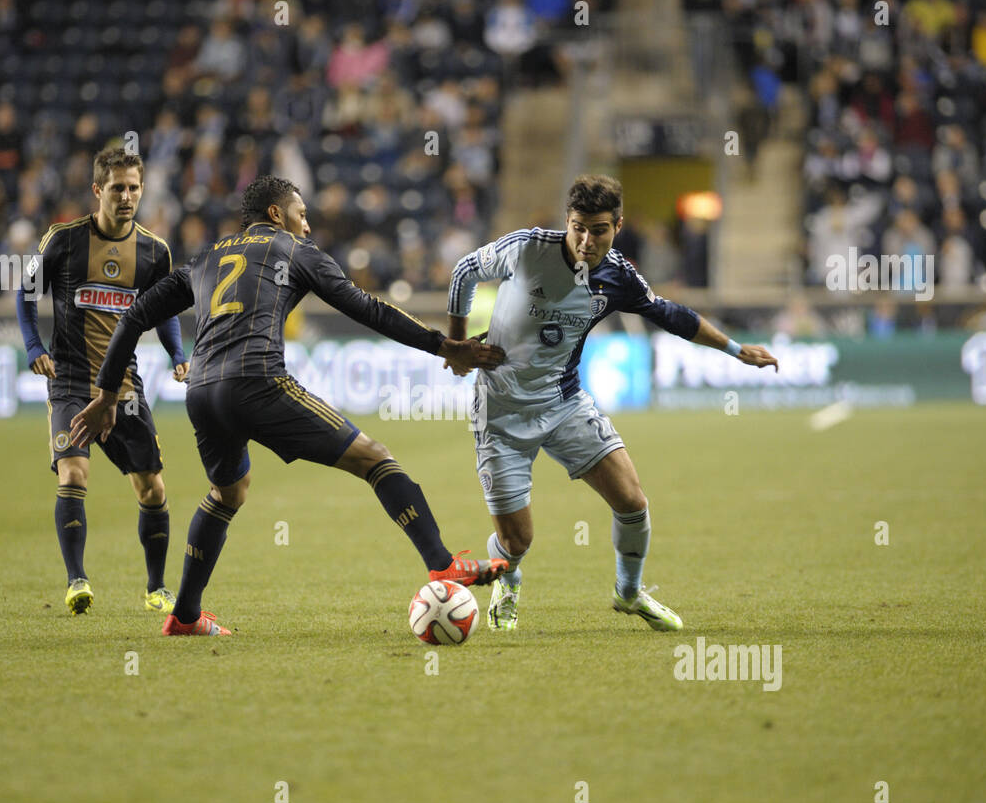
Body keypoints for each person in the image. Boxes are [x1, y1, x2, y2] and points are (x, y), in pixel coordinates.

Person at [70, 175, 508, 636]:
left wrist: (105, 394)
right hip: (258, 380)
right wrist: (445, 346)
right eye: (302, 214)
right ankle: (441, 565)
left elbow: (135, 315)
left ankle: (184, 615)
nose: (308, 226)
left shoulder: (205, 258)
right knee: (375, 458)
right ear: (277, 214)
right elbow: (365, 306)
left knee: (227, 494)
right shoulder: (294, 250)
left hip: (201, 391)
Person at [447, 174, 779, 631]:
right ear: (568, 220)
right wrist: (456, 344)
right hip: (500, 411)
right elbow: (464, 271)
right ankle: (510, 578)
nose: (586, 240)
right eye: (578, 226)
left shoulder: (617, 276)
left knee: (632, 501)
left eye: (598, 229)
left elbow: (670, 314)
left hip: (564, 403)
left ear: (617, 226)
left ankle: (629, 593)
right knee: (517, 541)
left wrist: (735, 349)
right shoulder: (526, 248)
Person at [16, 147, 189, 616]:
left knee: (151, 488)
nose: (127, 196)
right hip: (70, 381)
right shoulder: (63, 240)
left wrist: (177, 353)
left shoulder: (155, 252)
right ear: (98, 190)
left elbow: (166, 309)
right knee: (74, 473)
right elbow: (25, 291)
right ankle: (77, 580)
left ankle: (156, 588)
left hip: (123, 386)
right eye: (118, 188)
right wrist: (35, 347)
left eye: (134, 187)